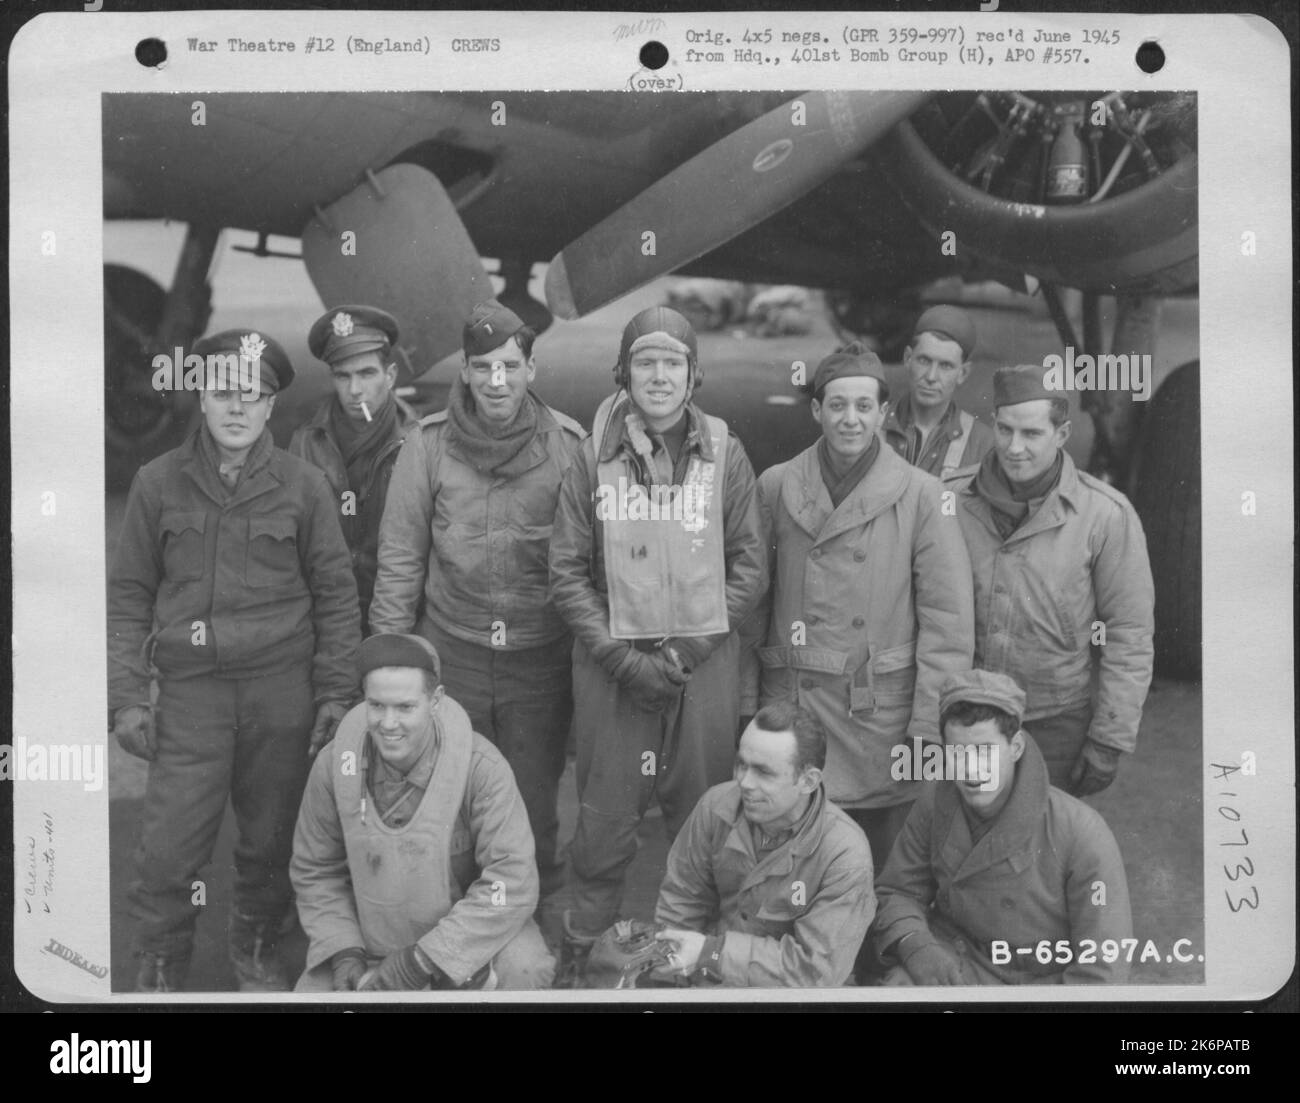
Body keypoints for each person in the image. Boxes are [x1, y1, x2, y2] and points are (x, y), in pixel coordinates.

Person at [108, 329, 360, 992]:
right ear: (201, 395)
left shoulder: (305, 487)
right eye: (224, 393)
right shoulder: (157, 483)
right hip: (192, 695)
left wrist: (334, 692)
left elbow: (336, 594)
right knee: (168, 845)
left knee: (272, 838)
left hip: (282, 693)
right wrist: (128, 696)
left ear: (273, 404)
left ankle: (255, 941)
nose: (238, 408)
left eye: (253, 395)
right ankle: (160, 958)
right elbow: (130, 593)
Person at [548, 305, 767, 965]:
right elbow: (565, 575)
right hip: (615, 668)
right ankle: (582, 957)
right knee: (603, 826)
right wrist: (621, 658)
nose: (660, 375)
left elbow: (749, 566)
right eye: (646, 361)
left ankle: (696, 960)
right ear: (623, 371)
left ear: (694, 374)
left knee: (706, 822)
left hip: (701, 666)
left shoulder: (726, 451)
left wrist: (690, 650)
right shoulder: (591, 457)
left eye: (673, 362)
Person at [369, 299, 585, 895]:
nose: (498, 381)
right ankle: (452, 940)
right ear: (464, 370)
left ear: (531, 371)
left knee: (532, 806)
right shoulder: (428, 446)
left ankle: (529, 930)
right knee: (447, 802)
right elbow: (400, 560)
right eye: (483, 366)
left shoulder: (570, 448)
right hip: (453, 655)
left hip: (537, 661)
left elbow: (589, 567)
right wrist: (390, 662)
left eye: (511, 367)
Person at [742, 346, 973, 874]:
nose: (851, 419)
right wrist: (745, 702)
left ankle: (874, 957)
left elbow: (948, 624)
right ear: (816, 412)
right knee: (795, 859)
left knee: (880, 868)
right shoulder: (776, 485)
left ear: (883, 413)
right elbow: (752, 608)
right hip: (795, 697)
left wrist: (928, 727)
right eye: (838, 405)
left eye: (864, 407)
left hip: (875, 716)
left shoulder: (922, 496)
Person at [291, 634, 554, 992]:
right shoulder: (335, 765)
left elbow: (510, 883)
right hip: (368, 932)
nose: (388, 723)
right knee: (310, 996)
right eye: (376, 705)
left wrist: (425, 959)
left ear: (435, 701)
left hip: (465, 937)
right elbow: (315, 869)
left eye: (404, 707)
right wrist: (343, 950)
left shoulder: (482, 768)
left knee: (526, 969)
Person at [946, 365, 1155, 794]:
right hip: (961, 714)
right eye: (1004, 430)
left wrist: (1109, 737)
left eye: (1032, 434)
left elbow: (1128, 633)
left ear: (1061, 434)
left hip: (1054, 722)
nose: (1014, 447)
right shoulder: (947, 500)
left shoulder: (1104, 516)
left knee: (1048, 846)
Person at [872, 669, 1133, 985]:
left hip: (1039, 983)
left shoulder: (1081, 832)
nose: (971, 770)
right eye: (958, 753)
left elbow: (1102, 969)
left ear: (1016, 747)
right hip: (954, 961)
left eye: (985, 752)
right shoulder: (935, 802)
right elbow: (898, 890)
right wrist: (916, 946)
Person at [653, 701, 875, 987]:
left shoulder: (845, 854)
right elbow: (681, 903)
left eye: (764, 772)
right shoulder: (716, 806)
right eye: (741, 765)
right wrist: (675, 974)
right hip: (709, 979)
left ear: (808, 781)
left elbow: (814, 970)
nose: (744, 782)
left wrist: (713, 953)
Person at [290, 305, 419, 635]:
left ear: (389, 376)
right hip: (327, 613)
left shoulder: (420, 442)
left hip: (399, 613)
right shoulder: (307, 442)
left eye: (366, 374)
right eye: (342, 376)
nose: (355, 390)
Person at [883, 304, 994, 478]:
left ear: (963, 373)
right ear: (907, 358)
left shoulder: (982, 443)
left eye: (945, 366)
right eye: (924, 361)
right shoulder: (872, 428)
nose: (931, 376)